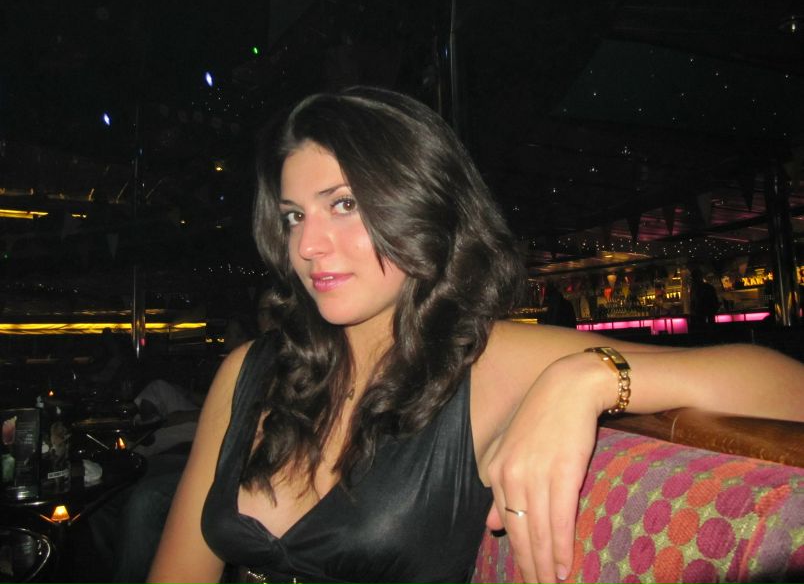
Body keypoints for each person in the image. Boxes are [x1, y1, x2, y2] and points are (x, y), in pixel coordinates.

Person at [147, 87, 804, 584]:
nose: (309, 245)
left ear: (420, 206)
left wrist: (590, 375)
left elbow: (785, 387)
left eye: (344, 204)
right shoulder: (250, 370)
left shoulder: (482, 360)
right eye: (293, 216)